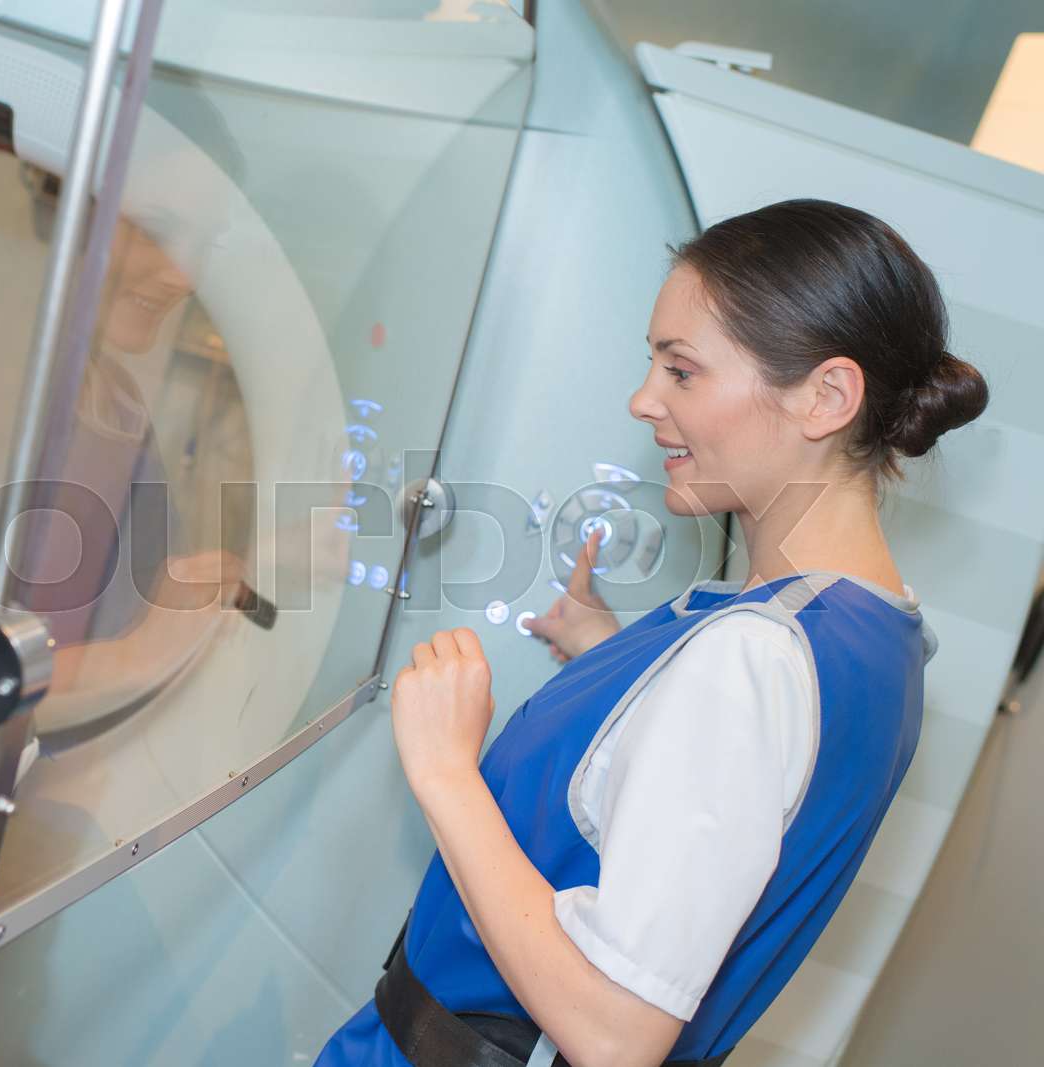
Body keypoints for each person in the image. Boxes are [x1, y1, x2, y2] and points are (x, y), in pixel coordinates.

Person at [317, 200, 989, 1067]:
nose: (644, 401)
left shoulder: (753, 657)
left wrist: (446, 772)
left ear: (826, 396)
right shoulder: (878, 634)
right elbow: (740, 791)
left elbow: (616, 1031)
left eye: (681, 371)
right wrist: (611, 655)